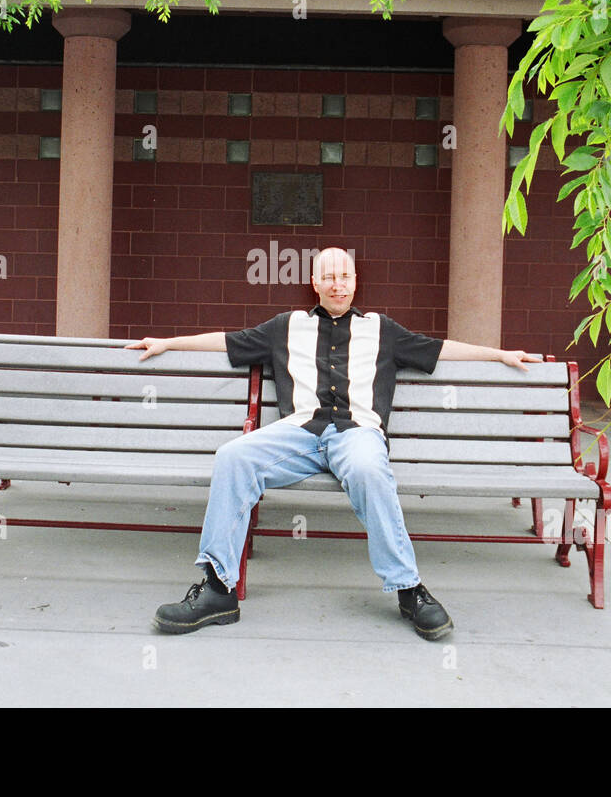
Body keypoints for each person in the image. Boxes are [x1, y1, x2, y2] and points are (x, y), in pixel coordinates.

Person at [125, 247, 542, 640]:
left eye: (345, 276)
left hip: (357, 434)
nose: (338, 283)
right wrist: (168, 343)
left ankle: (408, 589)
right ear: (314, 282)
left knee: (367, 468)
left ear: (356, 281)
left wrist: (499, 354)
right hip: (300, 434)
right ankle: (218, 590)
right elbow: (228, 340)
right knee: (234, 456)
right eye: (329, 276)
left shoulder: (382, 330)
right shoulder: (285, 326)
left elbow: (439, 349)